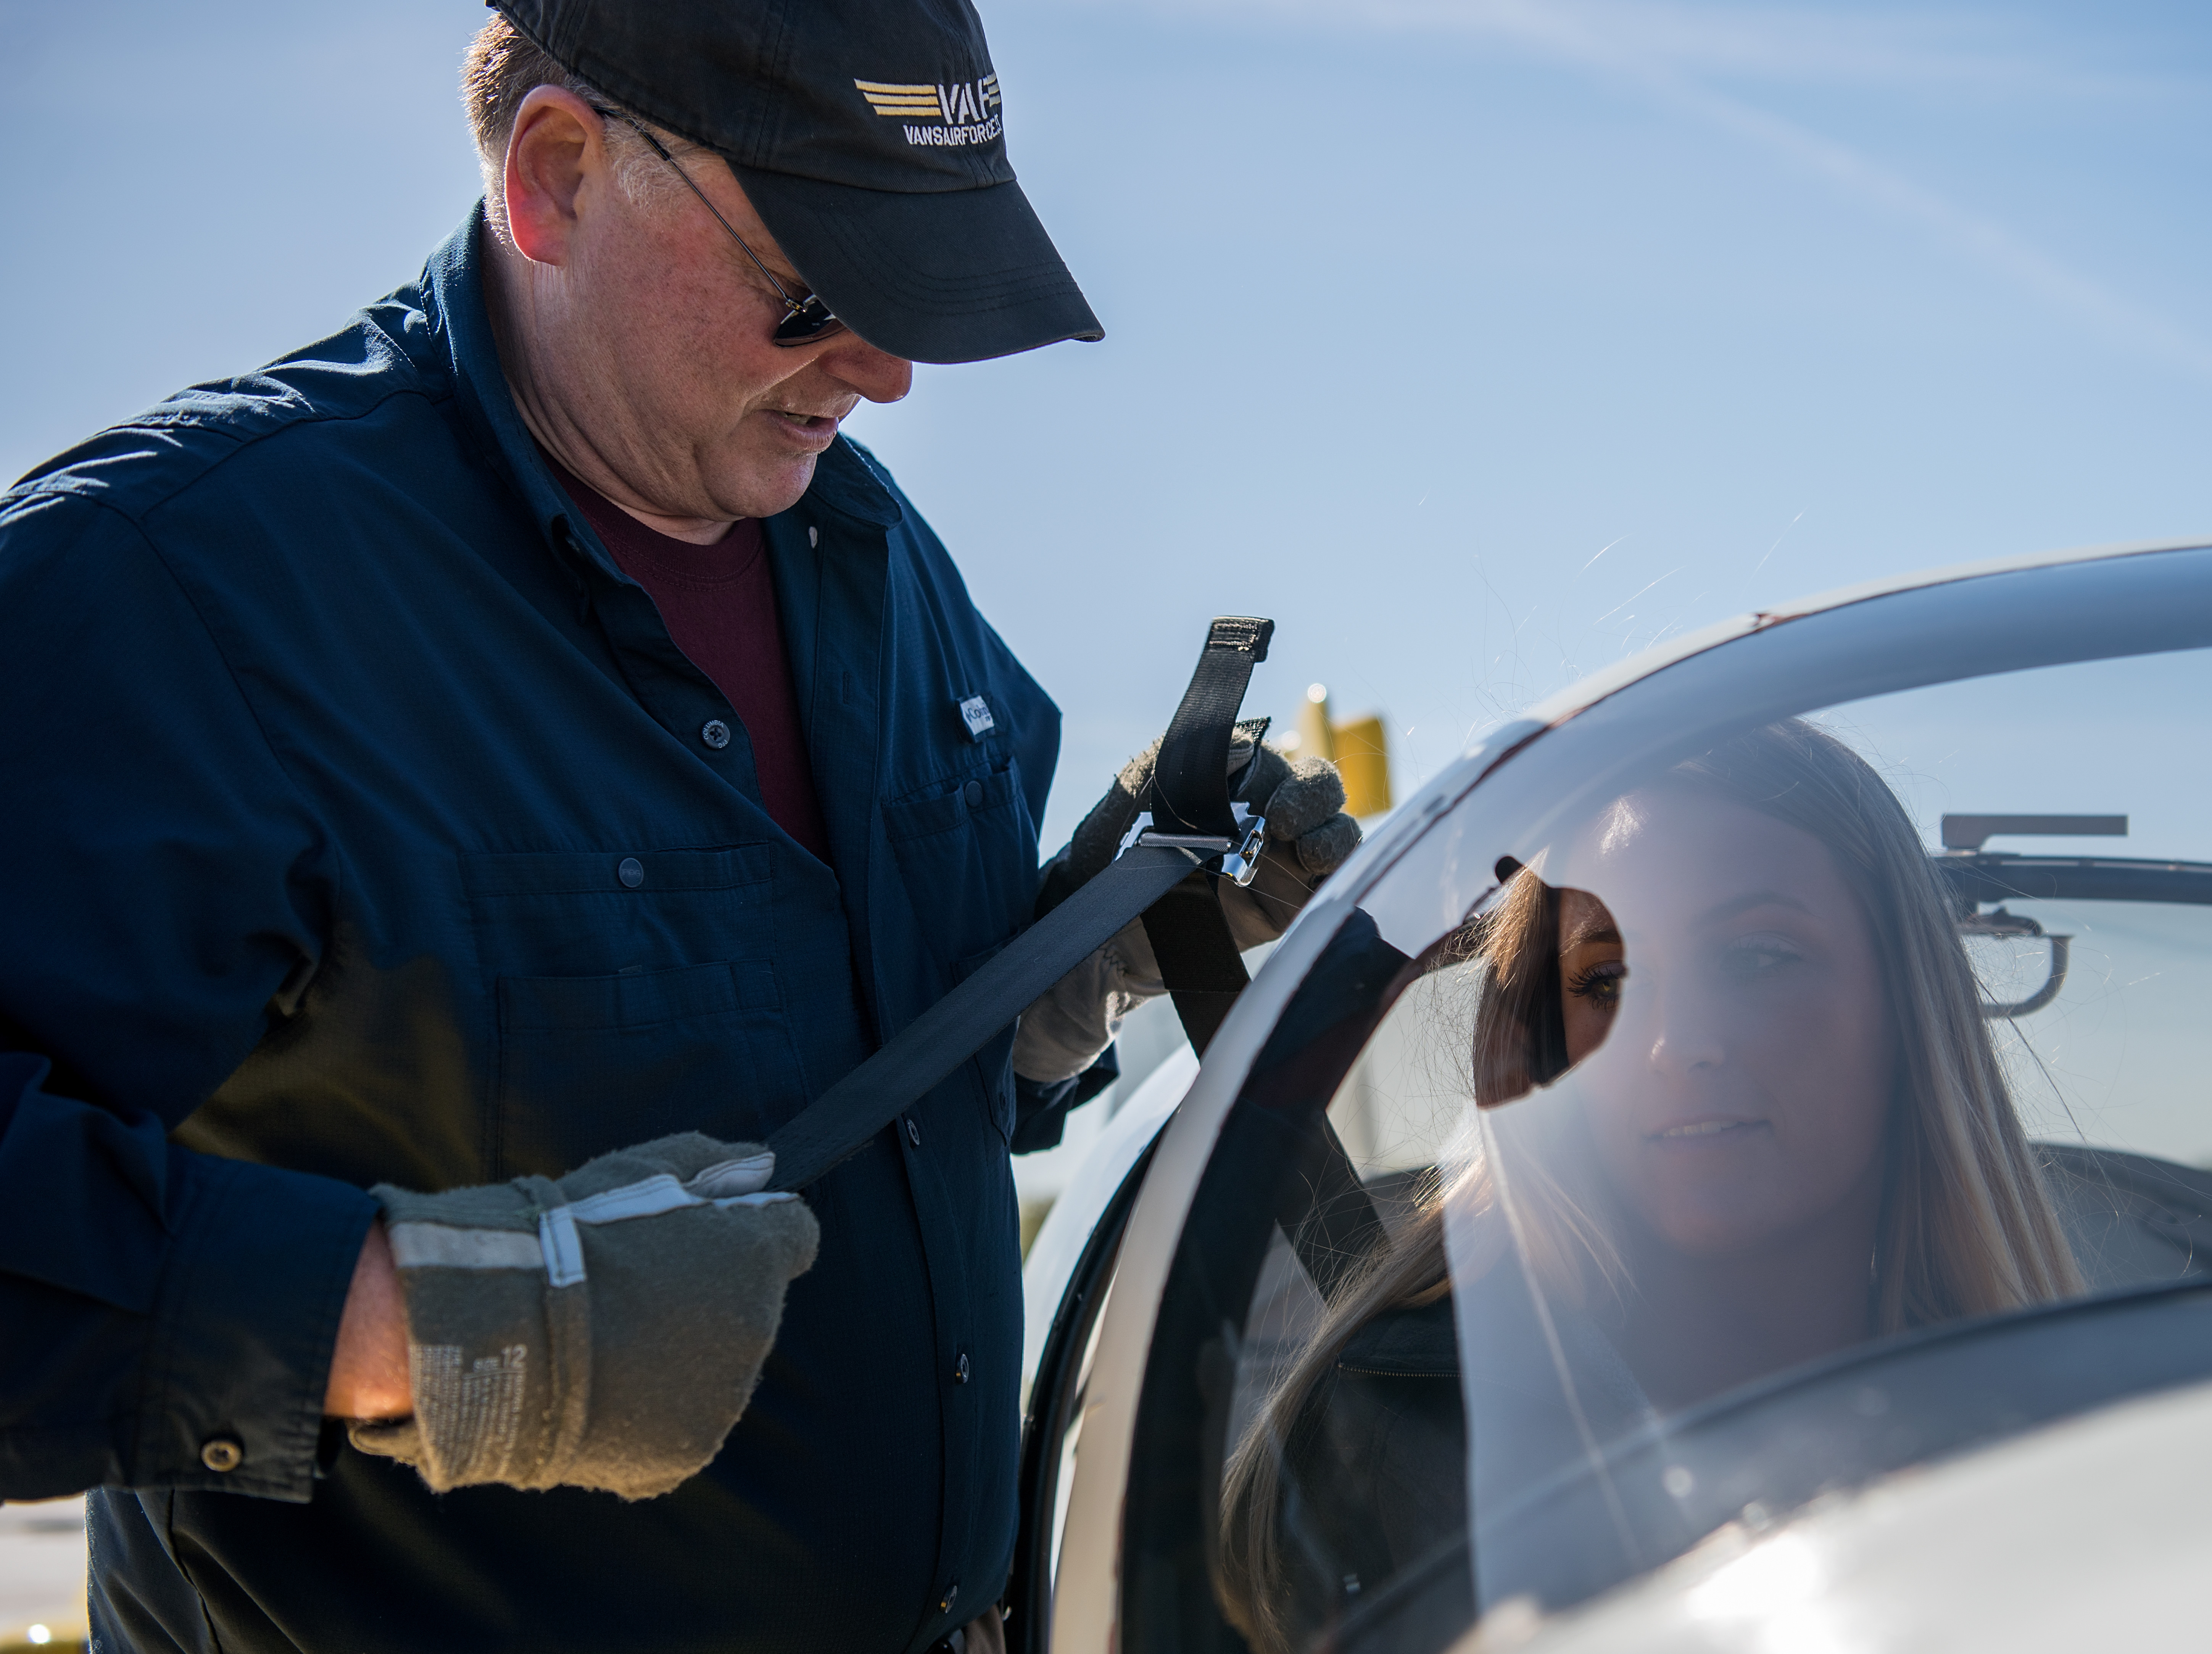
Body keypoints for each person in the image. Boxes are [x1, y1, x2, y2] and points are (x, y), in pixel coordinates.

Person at [0, 4, 1354, 1652]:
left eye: (919, 285)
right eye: (822, 283)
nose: (888, 371)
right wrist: (430, 1322)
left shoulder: (876, 565)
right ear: (557, 178)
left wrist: (1060, 980)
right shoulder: (174, 599)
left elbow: (851, 1103)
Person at [1215, 719, 2080, 1654]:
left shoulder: (2106, 1432)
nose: (1675, 1044)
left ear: (1906, 1005)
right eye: (1607, 976)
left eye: (1756, 957)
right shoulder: (1374, 1440)